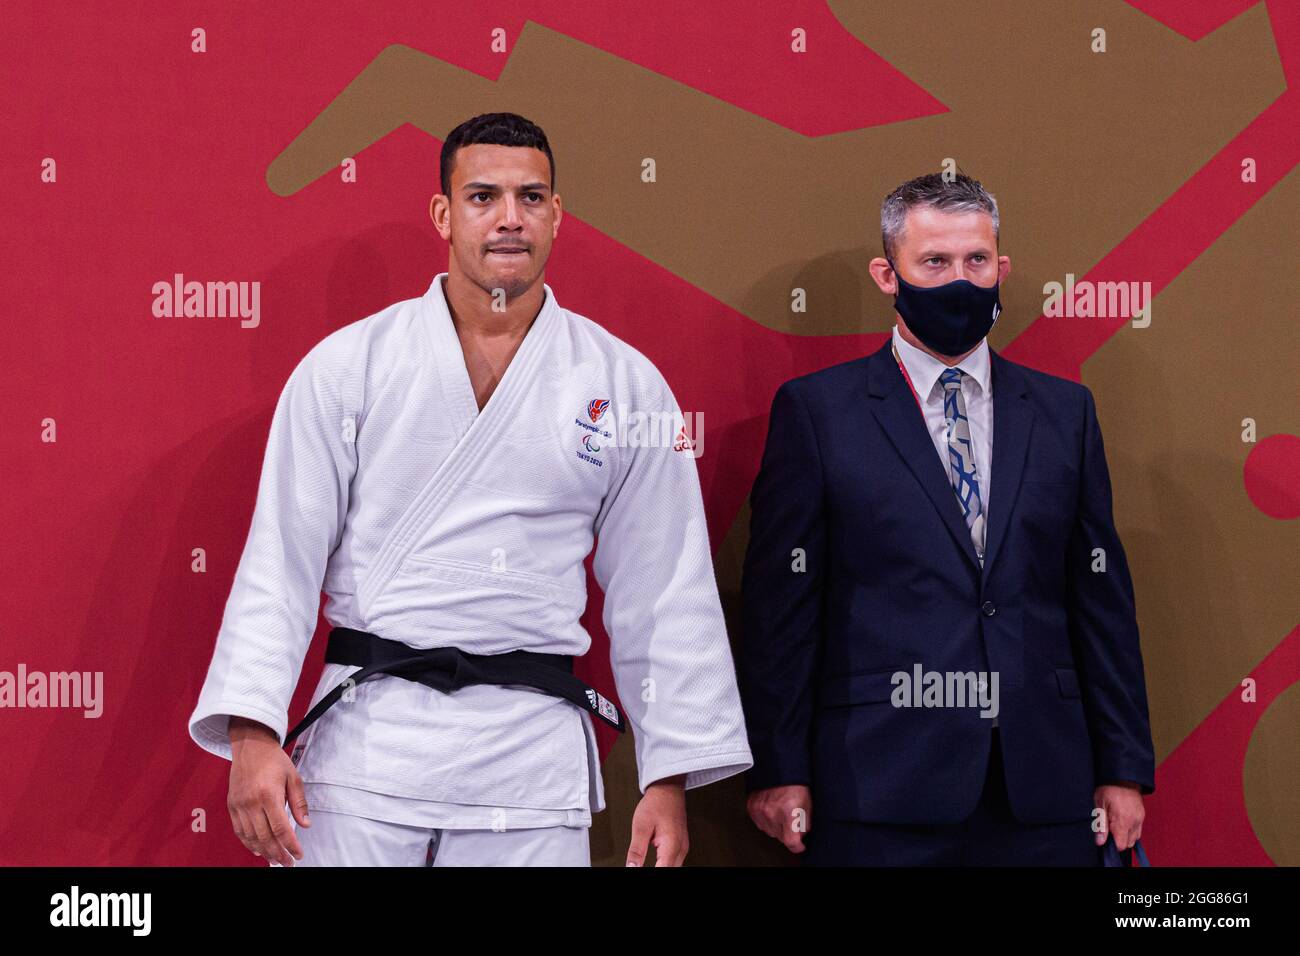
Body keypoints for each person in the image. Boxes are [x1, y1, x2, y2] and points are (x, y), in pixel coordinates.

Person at [188, 112, 752, 867]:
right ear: (443, 215)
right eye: (484, 196)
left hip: (529, 761)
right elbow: (280, 560)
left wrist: (669, 775)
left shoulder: (624, 384)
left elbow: (665, 588)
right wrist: (254, 735)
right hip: (369, 747)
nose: (510, 218)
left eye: (532, 197)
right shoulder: (348, 366)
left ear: (558, 215)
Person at [739, 172, 1154, 866]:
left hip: (1044, 791)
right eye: (934, 263)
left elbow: (1100, 603)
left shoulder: (1065, 413)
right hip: (877, 787)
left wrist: (1122, 767)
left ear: (1002, 267)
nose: (960, 281)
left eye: (976, 262)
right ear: (887, 273)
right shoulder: (818, 413)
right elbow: (782, 612)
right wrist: (780, 769)